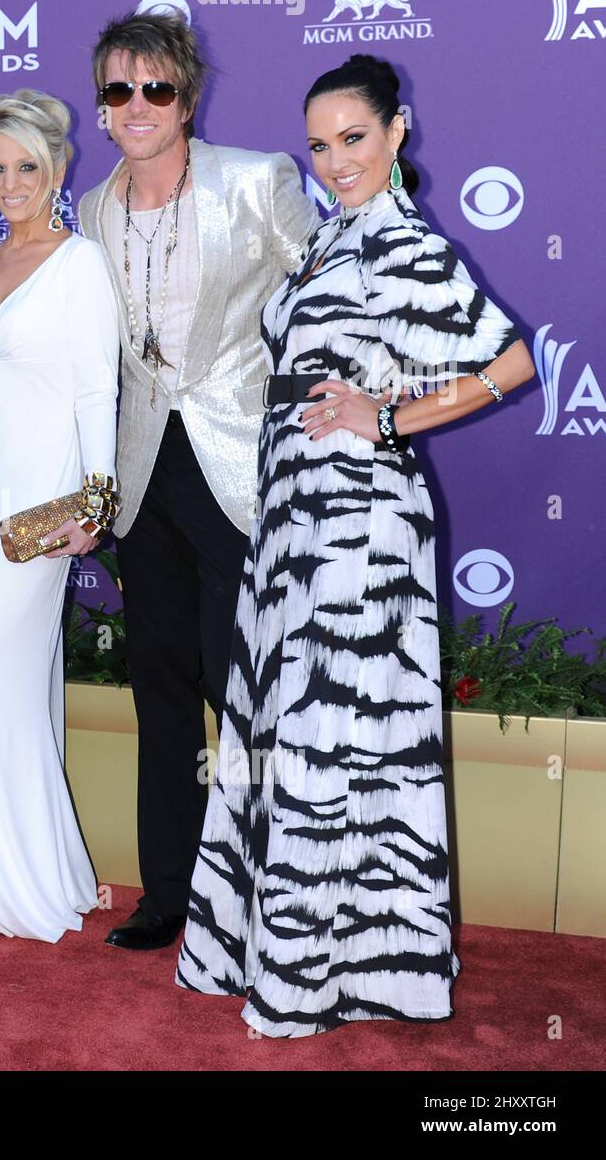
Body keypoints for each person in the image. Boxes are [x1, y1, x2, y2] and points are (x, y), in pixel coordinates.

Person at [174, 55, 535, 1037]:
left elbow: (510, 359)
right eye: (320, 144)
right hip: (297, 517)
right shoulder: (336, 239)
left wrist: (388, 419)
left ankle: (322, 967)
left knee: (336, 738)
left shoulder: (407, 245)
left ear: (397, 131)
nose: (335, 160)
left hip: (359, 525)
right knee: (293, 731)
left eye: (354, 138)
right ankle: (300, 945)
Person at [77, 11, 319, 952]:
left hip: (243, 466)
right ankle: (170, 892)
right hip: (144, 476)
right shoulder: (93, 208)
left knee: (246, 685)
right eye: (117, 90)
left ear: (188, 97)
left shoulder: (257, 180)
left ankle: (271, 890)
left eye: (156, 89)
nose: (136, 106)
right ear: (100, 107)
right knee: (162, 687)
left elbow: (321, 298)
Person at [0, 90, 119, 943]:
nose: (11, 183)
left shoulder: (81, 264)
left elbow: (95, 387)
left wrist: (98, 498)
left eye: (27, 168)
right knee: (8, 685)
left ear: (58, 172)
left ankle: (13, 886)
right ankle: (20, 874)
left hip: (40, 503)